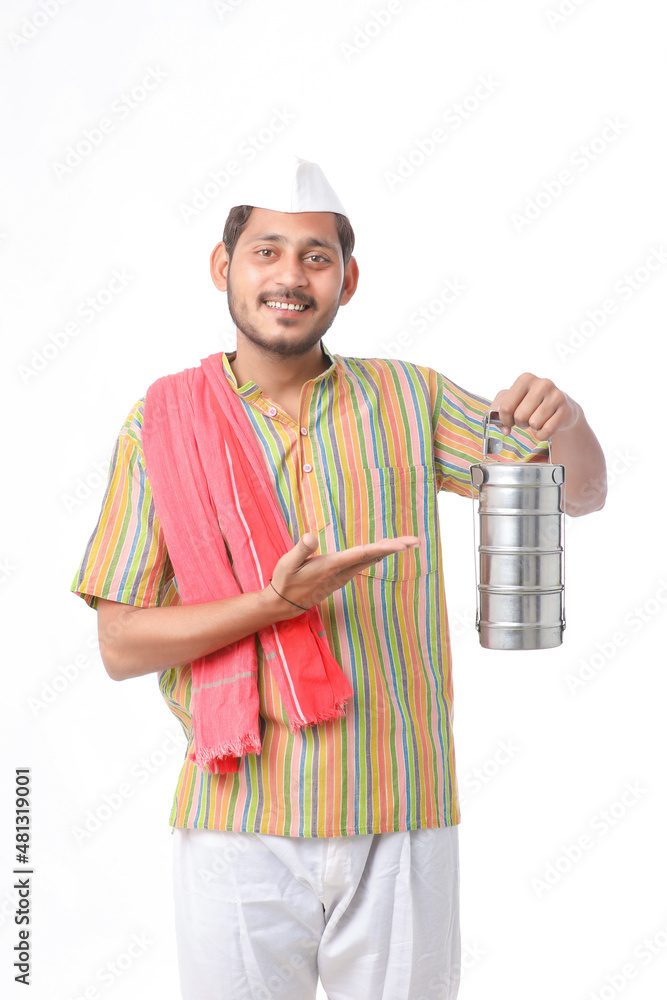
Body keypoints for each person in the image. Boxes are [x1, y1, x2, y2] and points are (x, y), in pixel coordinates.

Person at [71, 155, 607, 1000]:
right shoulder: (162, 423)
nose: (290, 276)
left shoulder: (410, 400)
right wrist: (271, 606)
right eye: (266, 251)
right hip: (236, 822)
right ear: (224, 267)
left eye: (315, 257)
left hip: (401, 816)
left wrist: (565, 421)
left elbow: (577, 493)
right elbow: (119, 642)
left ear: (347, 280)